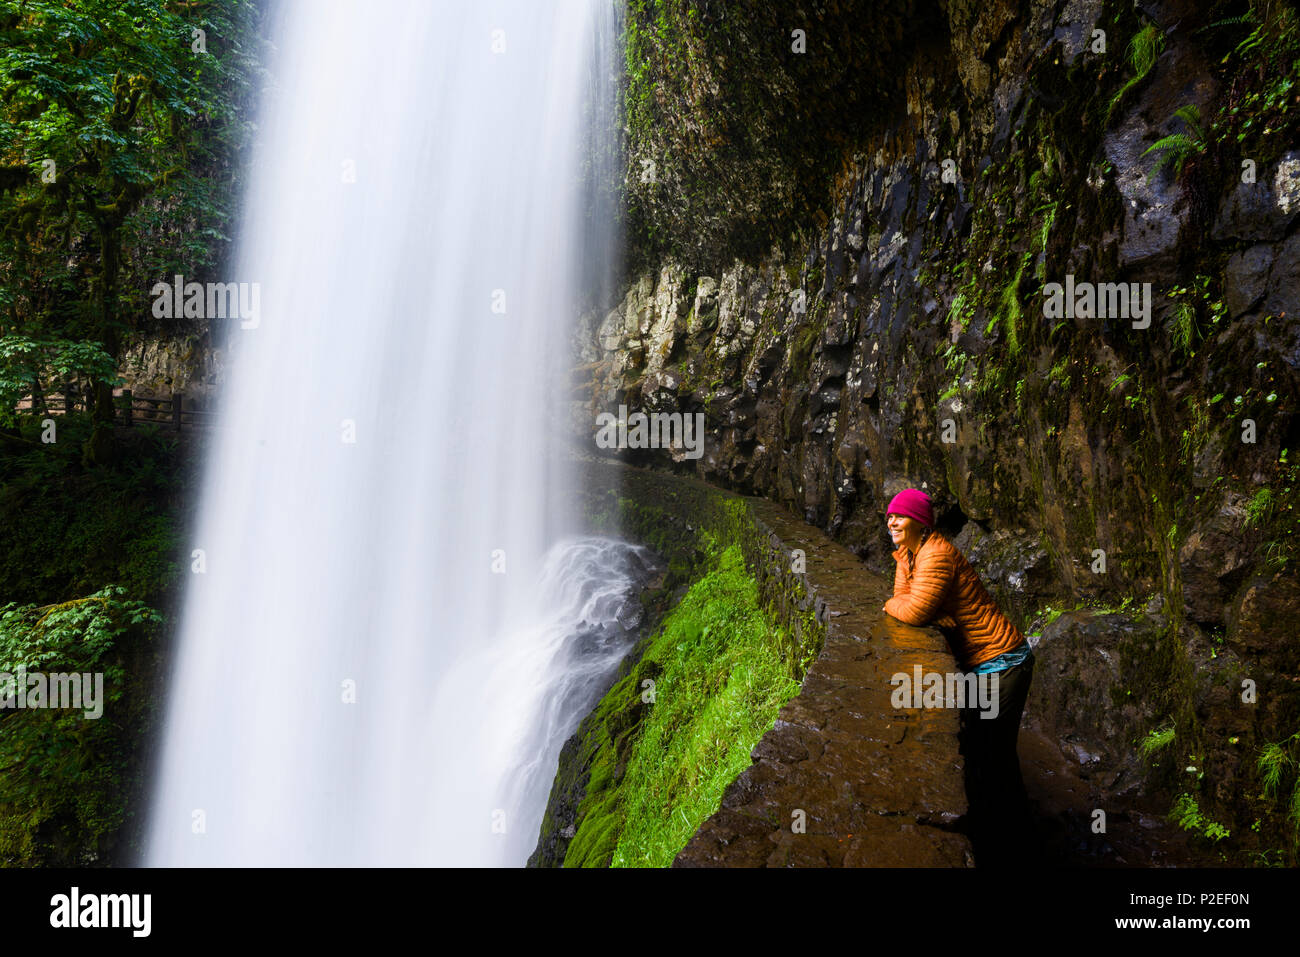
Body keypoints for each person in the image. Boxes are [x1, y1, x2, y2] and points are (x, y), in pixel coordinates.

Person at [880, 488, 1036, 866]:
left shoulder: (936, 555)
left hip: (1003, 663)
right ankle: (1002, 835)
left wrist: (905, 607)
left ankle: (1018, 844)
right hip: (979, 665)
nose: (892, 522)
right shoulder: (914, 553)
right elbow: (909, 598)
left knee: (994, 755)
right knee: (978, 750)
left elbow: (911, 608)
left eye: (900, 517)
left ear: (919, 522)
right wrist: (917, 600)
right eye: (889, 517)